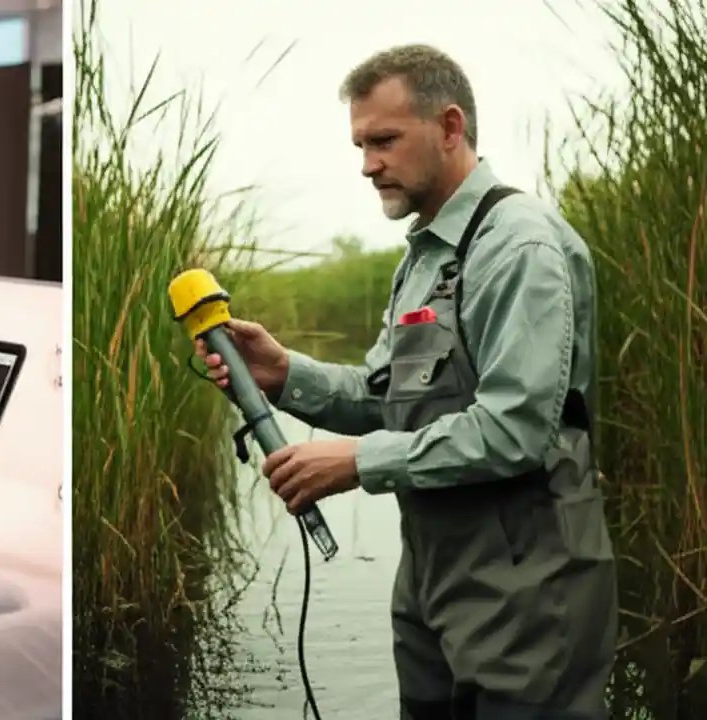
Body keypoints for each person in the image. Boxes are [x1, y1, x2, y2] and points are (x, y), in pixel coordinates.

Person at [199, 44, 616, 719]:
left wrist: (359, 462)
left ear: (449, 127)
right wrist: (284, 374)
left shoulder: (522, 245)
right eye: (361, 145)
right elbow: (387, 397)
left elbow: (516, 430)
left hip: (530, 581)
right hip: (430, 577)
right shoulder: (423, 257)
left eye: (384, 141)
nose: (367, 165)